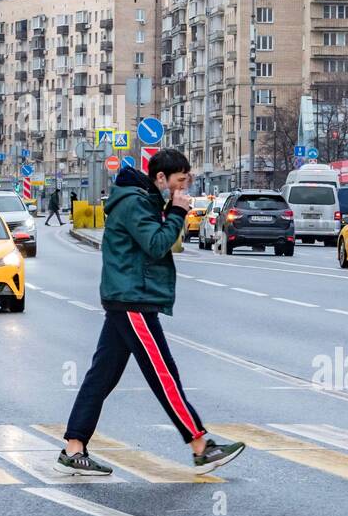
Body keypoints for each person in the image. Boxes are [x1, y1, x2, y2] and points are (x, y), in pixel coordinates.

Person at [55, 148, 245, 477]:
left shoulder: (140, 199)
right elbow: (156, 245)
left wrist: (171, 208)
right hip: (133, 301)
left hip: (127, 297)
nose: (184, 190)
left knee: (101, 377)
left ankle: (74, 448)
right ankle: (201, 447)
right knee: (163, 374)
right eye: (180, 182)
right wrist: (176, 212)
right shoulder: (135, 202)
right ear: (161, 178)